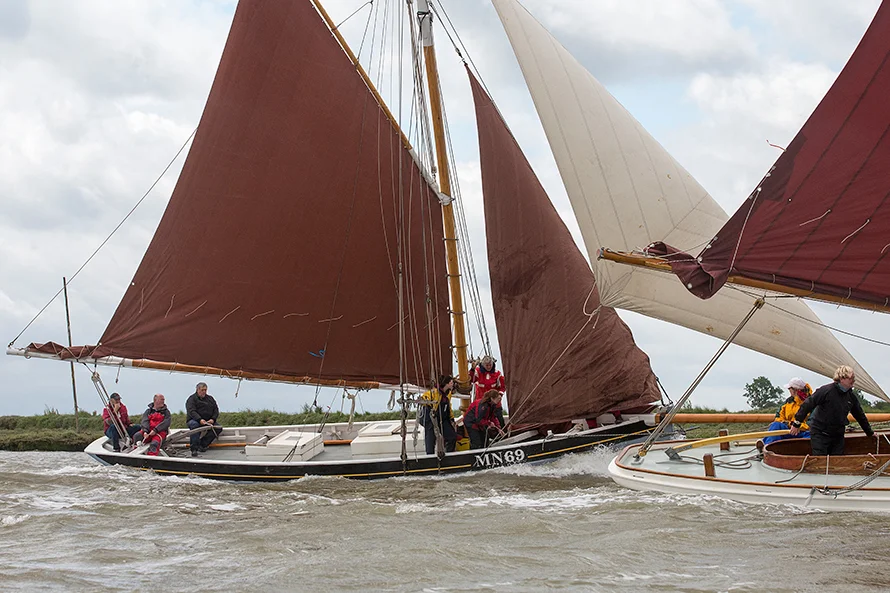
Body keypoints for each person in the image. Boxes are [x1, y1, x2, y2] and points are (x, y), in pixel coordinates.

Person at [790, 365, 874, 455]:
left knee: (837, 462)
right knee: (821, 462)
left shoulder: (851, 397)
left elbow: (859, 415)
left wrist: (870, 433)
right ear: (842, 378)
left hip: (837, 435)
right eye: (851, 378)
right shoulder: (826, 391)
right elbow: (807, 404)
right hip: (820, 433)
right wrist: (797, 423)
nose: (853, 380)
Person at [762, 378, 812, 445]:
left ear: (795, 390)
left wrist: (796, 426)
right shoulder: (788, 402)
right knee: (776, 425)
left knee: (811, 436)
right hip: (788, 431)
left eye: (789, 389)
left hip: (803, 433)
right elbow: (779, 416)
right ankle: (769, 446)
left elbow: (811, 424)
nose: (789, 391)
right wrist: (787, 424)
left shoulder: (811, 402)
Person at [420, 375, 457, 456]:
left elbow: (449, 407)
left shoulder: (448, 394)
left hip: (442, 419)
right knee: (430, 438)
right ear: (446, 383)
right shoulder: (434, 392)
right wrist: (425, 401)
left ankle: (449, 454)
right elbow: (424, 397)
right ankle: (430, 457)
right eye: (451, 382)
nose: (453, 384)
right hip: (431, 418)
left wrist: (452, 419)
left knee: (452, 437)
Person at [185, 382, 223, 457]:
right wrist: (199, 420)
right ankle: (194, 449)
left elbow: (216, 410)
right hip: (195, 420)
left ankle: (202, 444)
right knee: (194, 426)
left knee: (218, 428)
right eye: (202, 390)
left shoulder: (210, 399)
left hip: (208, 420)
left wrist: (213, 419)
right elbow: (192, 411)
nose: (204, 392)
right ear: (197, 389)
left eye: (205, 390)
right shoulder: (191, 399)